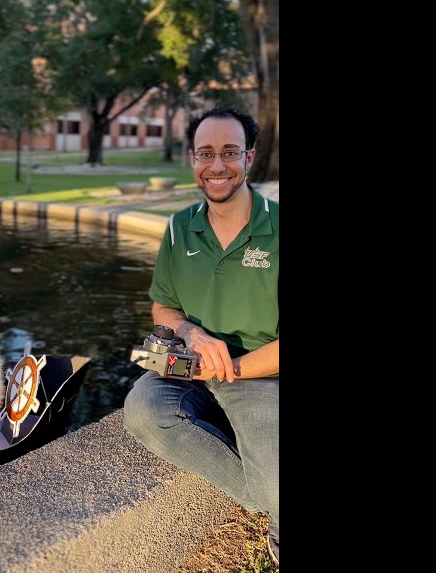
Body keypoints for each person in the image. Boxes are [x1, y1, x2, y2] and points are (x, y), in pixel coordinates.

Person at [123, 105, 280, 564]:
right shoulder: (177, 229)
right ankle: (267, 497)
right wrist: (190, 332)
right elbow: (163, 307)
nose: (217, 166)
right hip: (187, 369)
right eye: (205, 153)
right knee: (143, 411)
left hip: (259, 375)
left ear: (249, 158)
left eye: (230, 152)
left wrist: (230, 368)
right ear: (192, 160)